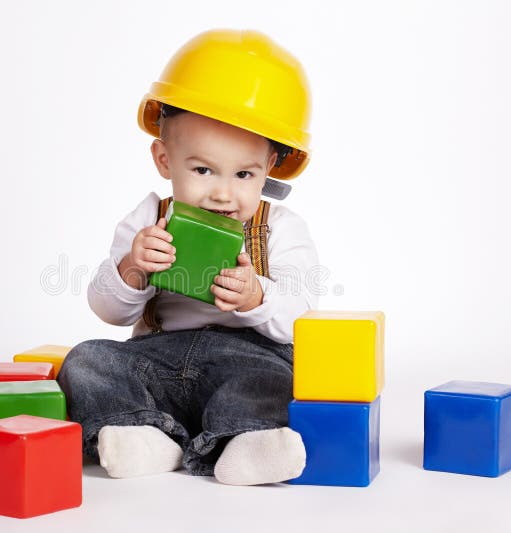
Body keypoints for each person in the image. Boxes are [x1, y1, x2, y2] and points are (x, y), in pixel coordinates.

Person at [58, 29, 319, 486]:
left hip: (246, 360)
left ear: (269, 169)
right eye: (202, 170)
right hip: (156, 360)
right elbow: (107, 310)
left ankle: (249, 440)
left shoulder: (279, 227)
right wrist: (134, 268)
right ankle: (144, 434)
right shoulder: (148, 218)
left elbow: (302, 318)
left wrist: (257, 296)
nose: (222, 193)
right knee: (85, 360)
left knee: (277, 379)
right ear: (164, 159)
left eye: (243, 174)